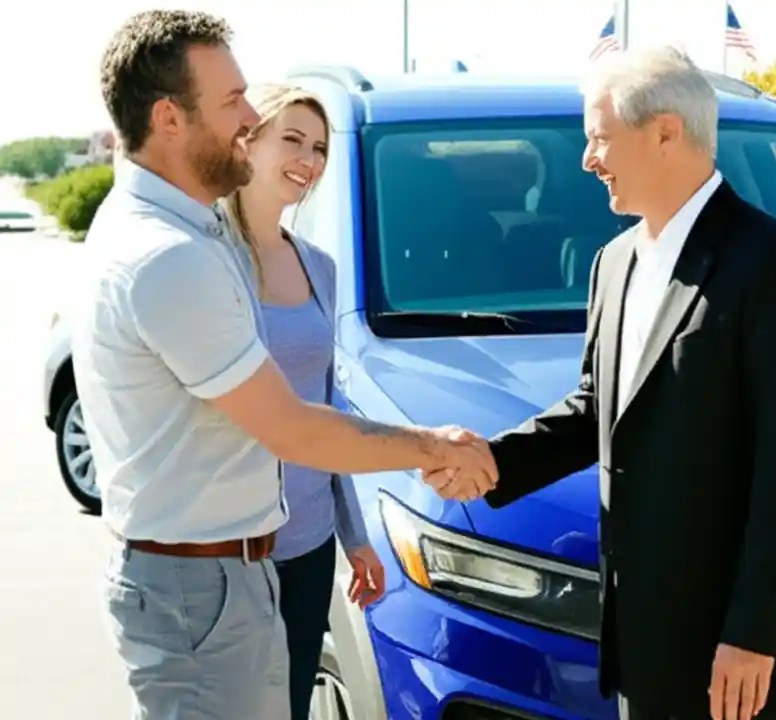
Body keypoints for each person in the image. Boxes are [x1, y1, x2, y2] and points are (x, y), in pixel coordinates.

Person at [76, 11, 494, 719]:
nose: (249, 115)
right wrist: (432, 448)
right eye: (233, 100)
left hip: (219, 578)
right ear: (169, 118)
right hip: (199, 591)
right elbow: (292, 429)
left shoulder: (183, 230)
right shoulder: (171, 256)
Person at [430, 46, 776, 720]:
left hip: (735, 658)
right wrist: (493, 464)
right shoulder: (614, 263)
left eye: (598, 139)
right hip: (646, 644)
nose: (588, 160)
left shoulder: (773, 265)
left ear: (665, 133)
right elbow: (601, 411)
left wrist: (752, 633)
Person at [216, 82, 383, 719]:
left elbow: (326, 402)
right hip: (230, 556)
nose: (308, 160)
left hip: (309, 547)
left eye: (318, 148)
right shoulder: (209, 260)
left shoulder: (319, 266)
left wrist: (355, 535)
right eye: (292, 139)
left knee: (288, 706)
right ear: (248, 140)